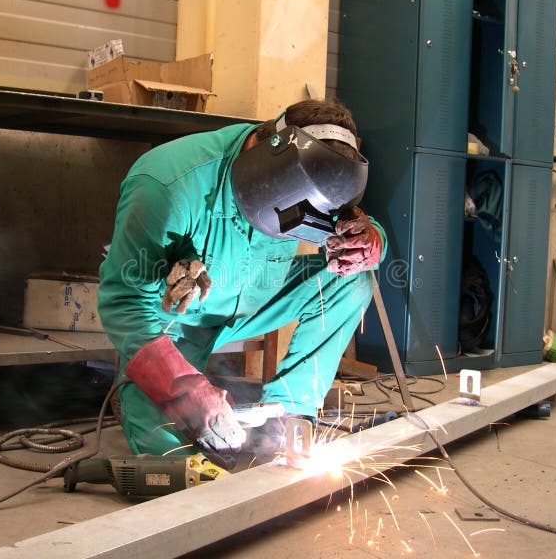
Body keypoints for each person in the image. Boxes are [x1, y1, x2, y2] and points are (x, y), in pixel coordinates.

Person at [98, 99, 387, 457]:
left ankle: (290, 414)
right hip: (178, 323)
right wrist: (185, 389)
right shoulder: (167, 185)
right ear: (269, 160)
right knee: (172, 463)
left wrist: (372, 243)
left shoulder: (314, 181)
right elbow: (123, 303)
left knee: (351, 280)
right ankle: (142, 391)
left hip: (253, 303)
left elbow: (356, 243)